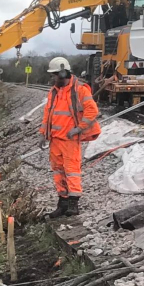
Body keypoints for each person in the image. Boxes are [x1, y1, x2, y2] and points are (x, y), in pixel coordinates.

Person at [41, 57, 101, 218]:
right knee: (58, 172)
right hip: (55, 140)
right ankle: (62, 203)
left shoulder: (80, 90)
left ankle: (73, 204)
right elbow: (48, 113)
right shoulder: (54, 91)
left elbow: (92, 111)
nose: (52, 78)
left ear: (62, 73)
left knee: (72, 171)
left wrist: (78, 129)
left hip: (70, 140)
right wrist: (43, 134)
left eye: (54, 75)